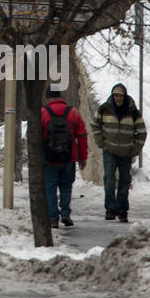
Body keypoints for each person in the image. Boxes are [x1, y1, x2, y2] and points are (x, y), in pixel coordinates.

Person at [90, 83, 147, 223]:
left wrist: (135, 149)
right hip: (109, 151)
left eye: (121, 95)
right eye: (116, 95)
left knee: (124, 181)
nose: (118, 98)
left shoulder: (133, 112)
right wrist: (101, 143)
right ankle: (110, 209)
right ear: (112, 95)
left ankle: (122, 210)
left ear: (124, 96)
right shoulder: (105, 109)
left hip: (126, 153)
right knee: (109, 180)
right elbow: (95, 125)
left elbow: (141, 132)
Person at [41, 87, 88, 229]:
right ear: (61, 96)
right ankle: (66, 213)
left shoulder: (43, 113)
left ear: (48, 98)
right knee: (66, 187)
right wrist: (82, 158)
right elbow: (82, 136)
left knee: (50, 188)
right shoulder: (73, 113)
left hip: (49, 158)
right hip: (68, 157)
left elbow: (36, 136)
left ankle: (53, 218)